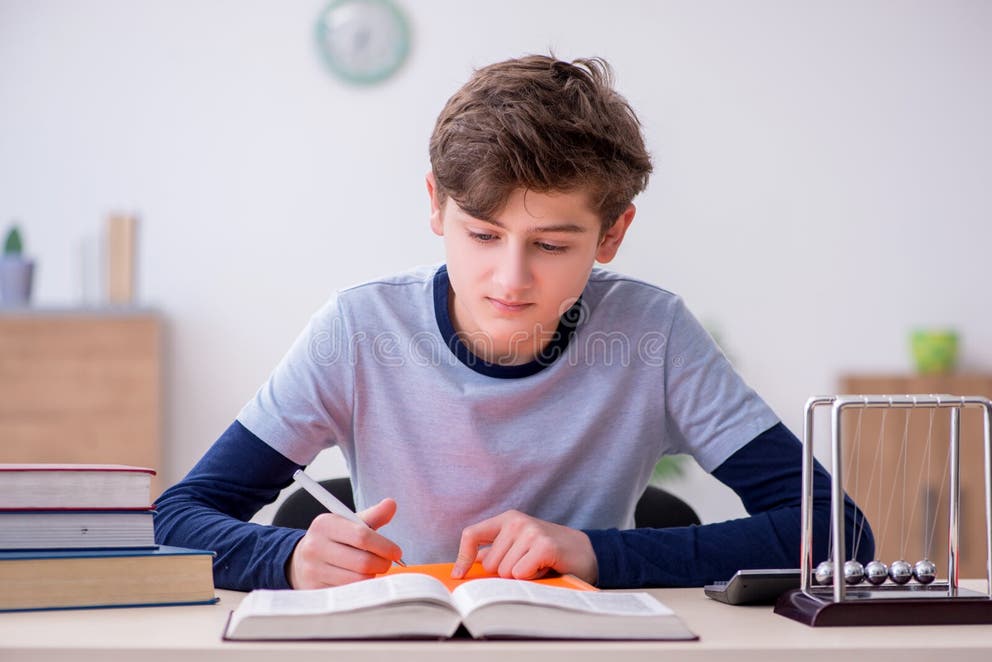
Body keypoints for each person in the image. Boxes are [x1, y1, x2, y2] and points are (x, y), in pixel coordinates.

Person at [154, 54, 873, 591]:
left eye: (553, 246)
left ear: (613, 235)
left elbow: (841, 536)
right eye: (483, 235)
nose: (510, 279)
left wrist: (595, 552)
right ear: (436, 206)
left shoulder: (652, 334)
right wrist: (285, 557)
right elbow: (176, 517)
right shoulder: (358, 328)